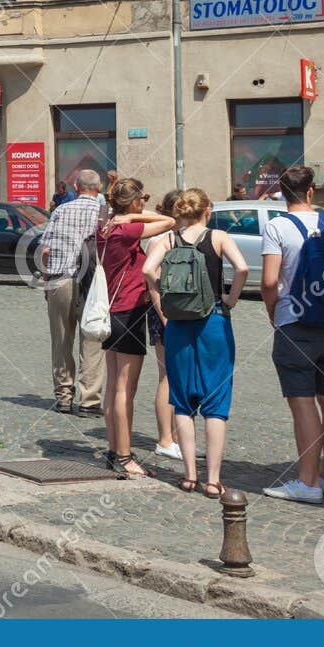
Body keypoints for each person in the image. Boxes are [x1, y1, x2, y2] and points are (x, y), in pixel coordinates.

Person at [142, 188, 248, 498]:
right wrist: (231, 297)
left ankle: (189, 476)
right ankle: (212, 480)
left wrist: (164, 301)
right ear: (207, 211)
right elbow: (241, 268)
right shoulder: (218, 237)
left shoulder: (169, 239)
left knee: (183, 400)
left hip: (178, 325)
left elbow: (148, 269)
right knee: (216, 401)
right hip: (214, 320)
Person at [259, 164, 324, 504]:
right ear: (311, 191)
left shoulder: (277, 226)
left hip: (294, 324)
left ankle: (307, 483)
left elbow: (269, 281)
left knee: (303, 406)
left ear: (283, 193)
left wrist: (273, 312)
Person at [96, 178, 175, 477]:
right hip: (127, 313)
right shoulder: (126, 229)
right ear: (133, 202)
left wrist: (123, 215)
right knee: (124, 390)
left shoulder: (104, 228)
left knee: (114, 385)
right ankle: (125, 457)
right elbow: (169, 220)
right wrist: (131, 217)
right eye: (141, 199)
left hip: (111, 312)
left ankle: (113, 449)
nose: (145, 203)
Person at [37, 170, 108, 416]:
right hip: (92, 283)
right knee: (92, 340)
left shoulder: (61, 210)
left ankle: (64, 397)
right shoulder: (105, 214)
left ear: (76, 186)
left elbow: (44, 251)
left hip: (60, 281)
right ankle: (89, 400)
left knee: (61, 341)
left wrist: (46, 280)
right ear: (99, 188)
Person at [146, 190, 184, 462]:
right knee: (168, 376)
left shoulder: (179, 237)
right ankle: (165, 439)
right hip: (164, 312)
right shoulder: (161, 239)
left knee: (180, 376)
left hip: (178, 312)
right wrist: (164, 316)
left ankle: (180, 436)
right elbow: (152, 282)